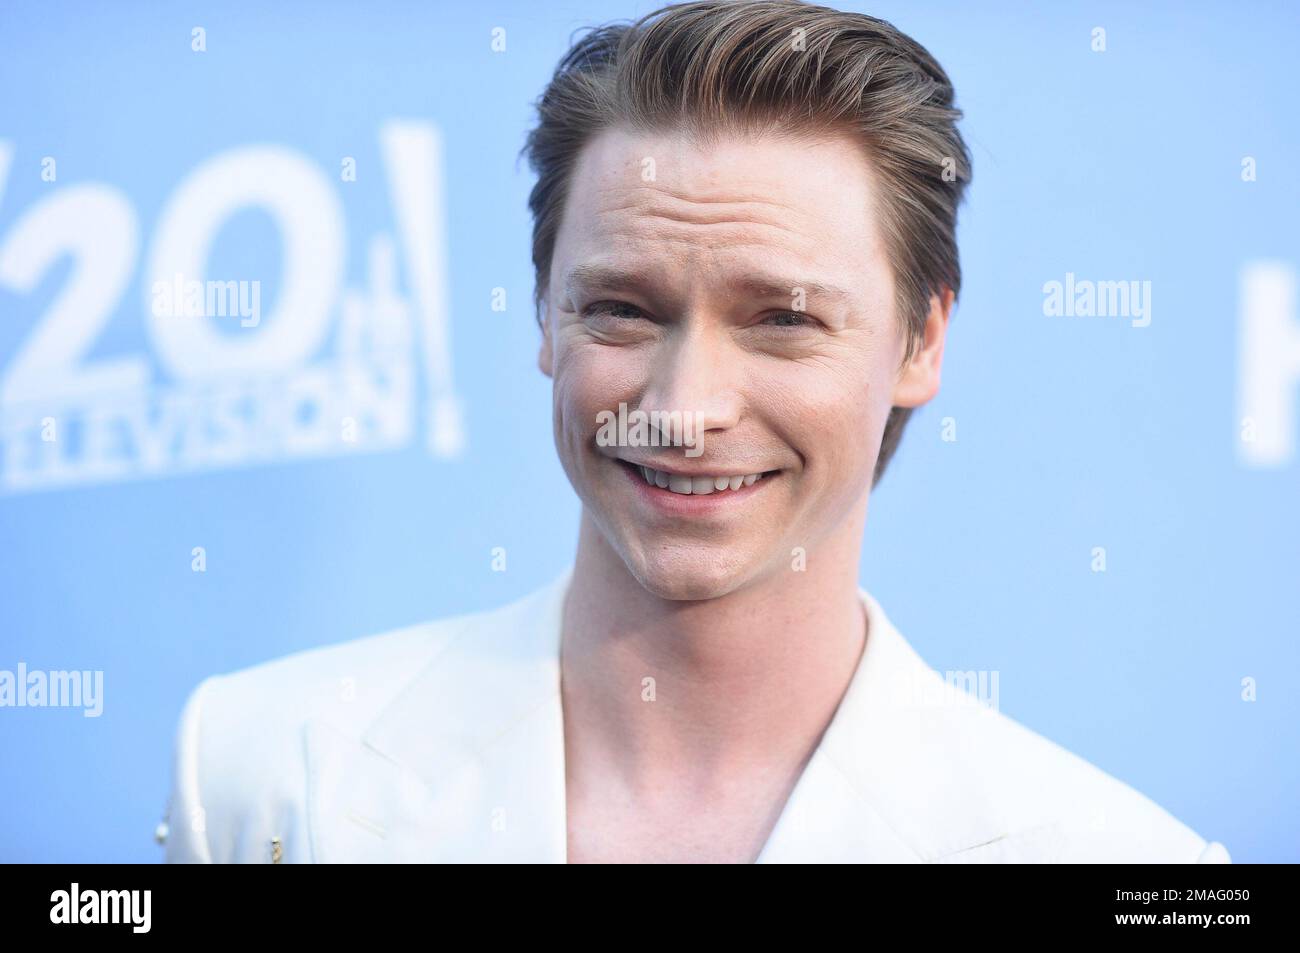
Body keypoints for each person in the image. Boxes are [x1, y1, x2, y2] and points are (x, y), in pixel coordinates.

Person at [161, 0, 1230, 863]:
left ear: (920, 339)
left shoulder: (1116, 859)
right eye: (622, 307)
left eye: (783, 318)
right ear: (543, 314)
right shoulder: (269, 771)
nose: (681, 406)